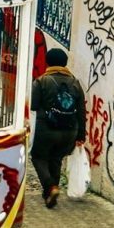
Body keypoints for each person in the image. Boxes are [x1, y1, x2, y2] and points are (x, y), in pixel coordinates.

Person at [30, 47, 87, 208]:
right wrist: (81, 135)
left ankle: (50, 187)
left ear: (48, 62)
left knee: (38, 157)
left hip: (46, 129)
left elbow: (34, 105)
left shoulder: (42, 81)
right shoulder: (75, 83)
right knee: (56, 159)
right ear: (65, 63)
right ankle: (49, 195)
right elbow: (82, 111)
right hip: (69, 130)